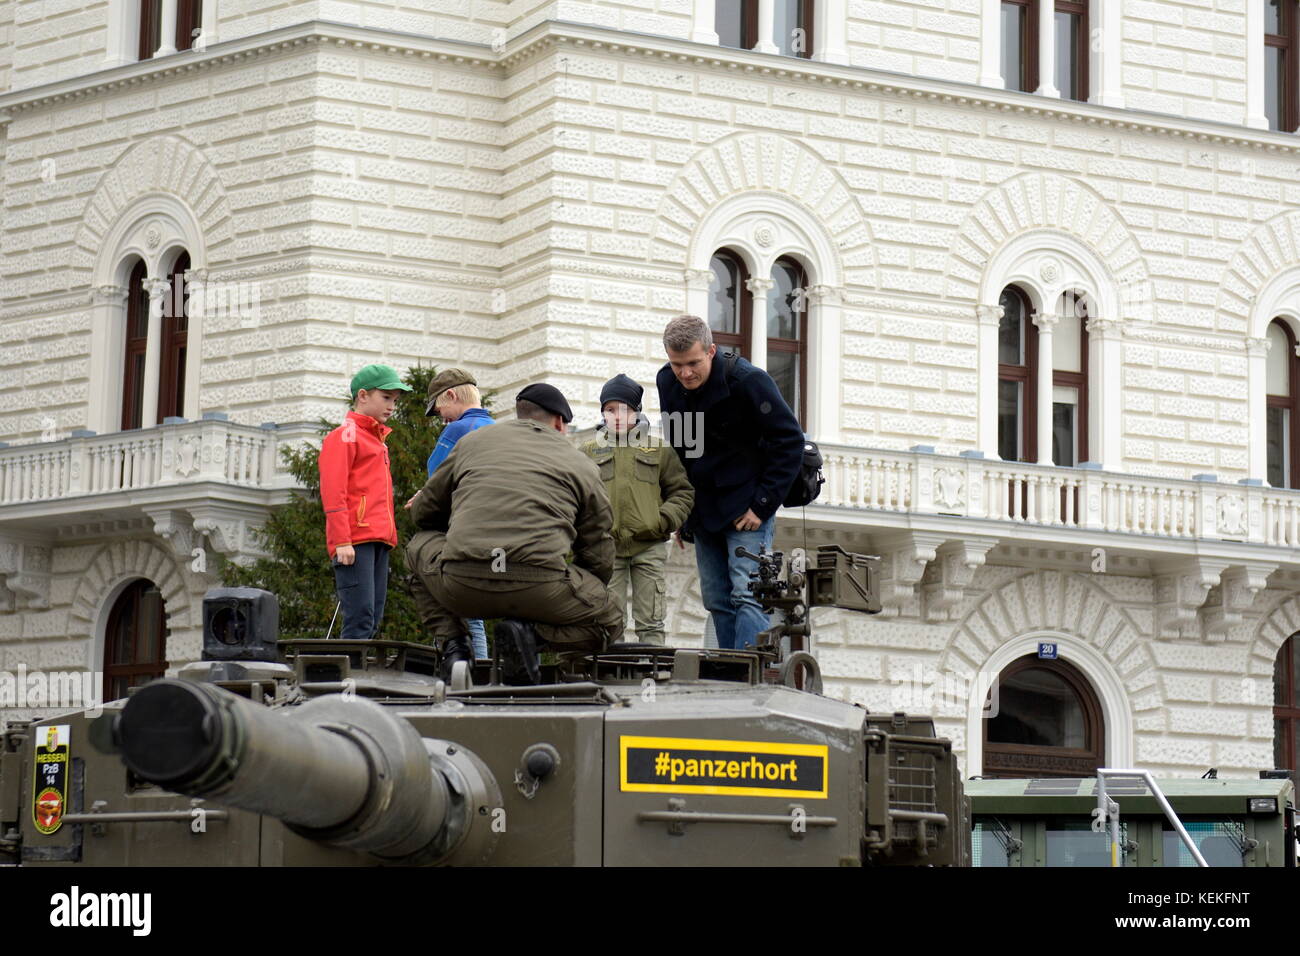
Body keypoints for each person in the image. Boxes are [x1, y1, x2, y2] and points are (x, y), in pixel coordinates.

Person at [406, 383, 624, 682]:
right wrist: (578, 592)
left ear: (521, 415)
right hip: (541, 585)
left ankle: (454, 647)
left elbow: (424, 514)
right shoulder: (581, 463)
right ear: (560, 422)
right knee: (609, 615)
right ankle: (526, 637)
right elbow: (597, 547)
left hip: (463, 582)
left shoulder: (473, 442)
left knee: (418, 546)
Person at [656, 315, 804, 650]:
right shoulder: (667, 382)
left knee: (748, 594)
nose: (685, 373)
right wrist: (680, 511)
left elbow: (789, 441)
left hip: (747, 506)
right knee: (716, 599)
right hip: (703, 508)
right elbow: (681, 450)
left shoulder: (749, 381)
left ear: (711, 351)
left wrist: (762, 505)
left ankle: (748, 675)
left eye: (693, 363)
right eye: (677, 365)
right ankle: (728, 673)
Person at [580, 373, 693, 644]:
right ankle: (610, 678)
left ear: (636, 413)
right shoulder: (587, 452)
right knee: (608, 622)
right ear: (603, 413)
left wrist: (662, 520)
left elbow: (682, 491)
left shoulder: (659, 450)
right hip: (608, 550)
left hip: (649, 546)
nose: (617, 416)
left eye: (625, 410)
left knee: (652, 622)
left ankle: (652, 679)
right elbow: (577, 497)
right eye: (610, 410)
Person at [318, 364, 412, 640]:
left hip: (378, 538)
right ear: (362, 396)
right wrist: (342, 540)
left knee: (371, 620)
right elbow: (333, 491)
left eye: (395, 400)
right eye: (386, 398)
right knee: (359, 619)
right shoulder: (344, 436)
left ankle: (357, 678)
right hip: (355, 539)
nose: (392, 406)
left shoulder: (377, 440)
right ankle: (348, 681)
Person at [421, 367, 493, 660]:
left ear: (451, 395)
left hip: (462, 530)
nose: (442, 418)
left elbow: (435, 481)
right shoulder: (497, 427)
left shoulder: (456, 430)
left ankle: (469, 682)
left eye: (440, 410)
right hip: (497, 533)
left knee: (466, 615)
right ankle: (488, 673)